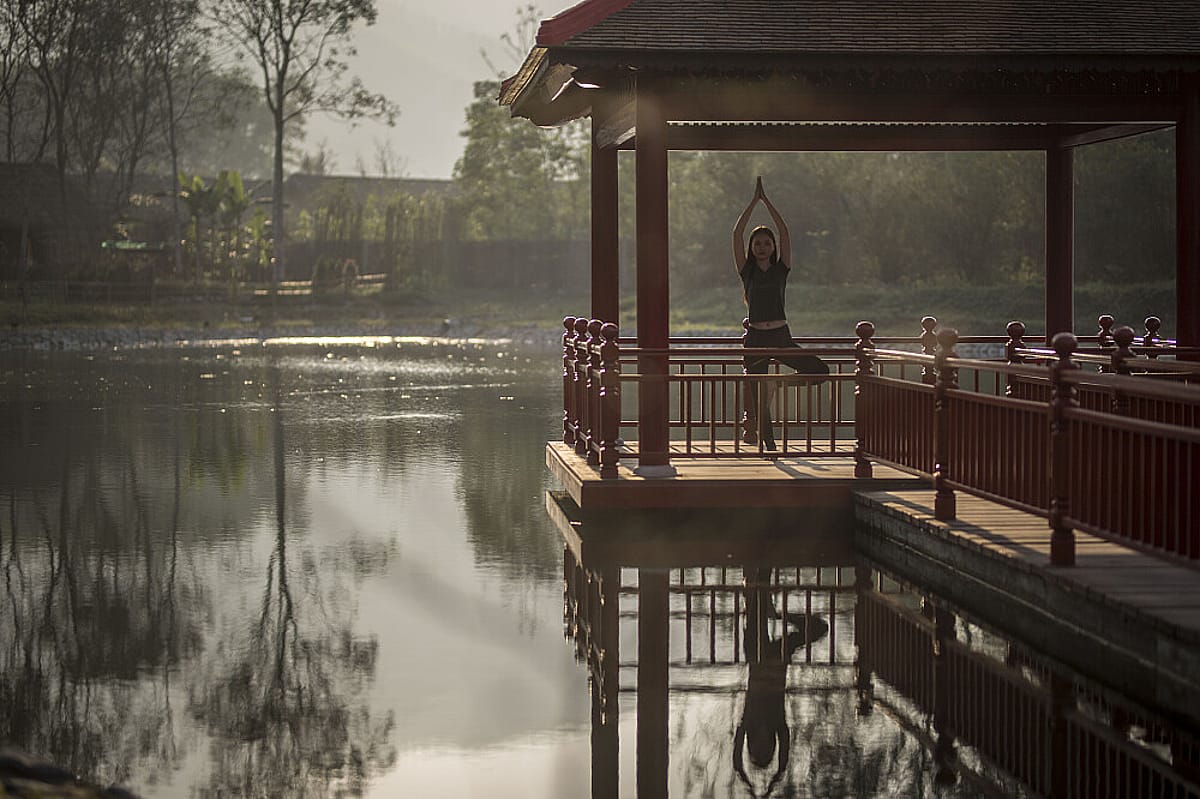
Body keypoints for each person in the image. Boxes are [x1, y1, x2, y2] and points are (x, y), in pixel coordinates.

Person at [732, 177, 829, 451]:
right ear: (752, 249)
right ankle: (770, 445)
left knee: (820, 371)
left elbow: (784, 231)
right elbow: (736, 235)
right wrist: (753, 203)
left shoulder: (781, 269)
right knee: (757, 394)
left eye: (766, 243)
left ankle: (779, 384)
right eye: (757, 244)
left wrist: (768, 202)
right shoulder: (747, 271)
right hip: (755, 339)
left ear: (773, 247)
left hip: (780, 336)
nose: (762, 247)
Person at [733, 567, 830, 796]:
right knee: (819, 628)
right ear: (772, 745)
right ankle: (773, 610)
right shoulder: (779, 725)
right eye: (766, 749)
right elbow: (784, 758)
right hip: (778, 658)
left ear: (752, 743)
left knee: (756, 616)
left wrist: (749, 785)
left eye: (758, 748)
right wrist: (774, 783)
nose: (763, 744)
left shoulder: (748, 723)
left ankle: (759, 581)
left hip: (757, 655)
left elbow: (737, 760)